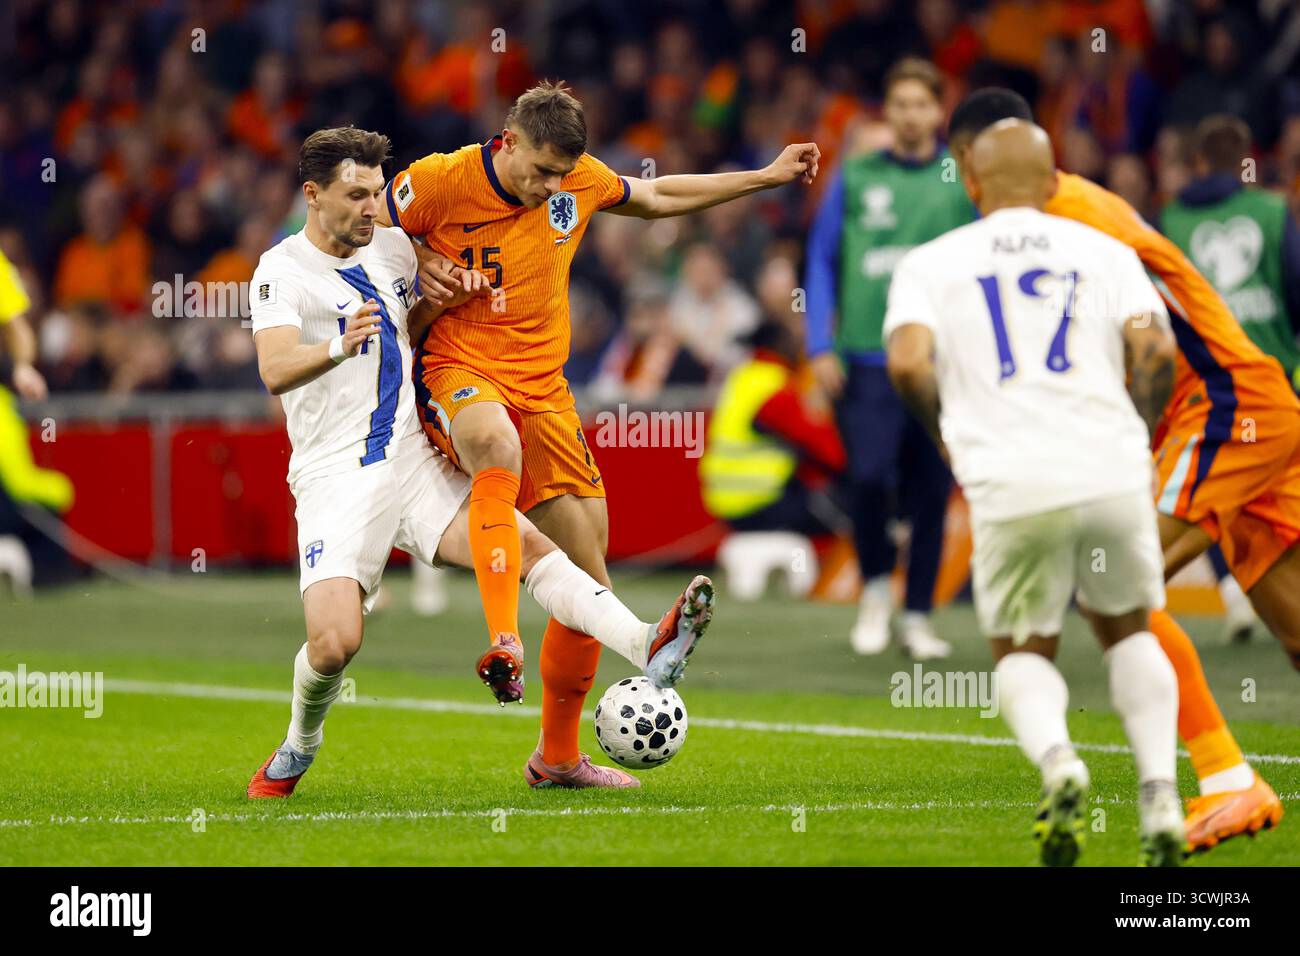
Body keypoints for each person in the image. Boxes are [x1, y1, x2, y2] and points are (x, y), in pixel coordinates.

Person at [245, 128, 714, 797]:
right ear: (313, 195)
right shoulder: (281, 271)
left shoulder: (392, 247)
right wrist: (338, 349)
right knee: (333, 646)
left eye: (378, 193)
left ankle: (647, 643)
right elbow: (273, 369)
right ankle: (298, 745)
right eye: (355, 195)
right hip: (333, 476)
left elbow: (412, 322)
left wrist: (447, 292)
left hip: (408, 457)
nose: (371, 208)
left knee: (533, 548)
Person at [375, 82, 819, 788]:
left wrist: (764, 175)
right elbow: (362, 221)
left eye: (562, 174)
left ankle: (557, 759)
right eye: (541, 170)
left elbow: (656, 198)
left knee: (587, 581)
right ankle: (502, 636)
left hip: (546, 389)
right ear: (508, 140)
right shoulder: (439, 180)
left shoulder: (577, 179)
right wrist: (410, 263)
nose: (552, 185)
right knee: (495, 444)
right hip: (458, 365)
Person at [947, 88, 1286, 853]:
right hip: (1253, 399)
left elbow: (1146, 345)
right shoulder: (1069, 207)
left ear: (978, 162)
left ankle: (1229, 780)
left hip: (1224, 405)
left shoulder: (1062, 224)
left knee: (1121, 587)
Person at [885, 119, 1184, 867]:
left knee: (1021, 650)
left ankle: (1059, 763)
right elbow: (1156, 350)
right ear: (1055, 183)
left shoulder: (931, 263)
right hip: (1110, 466)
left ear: (973, 182)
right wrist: (1136, 434)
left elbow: (908, 365)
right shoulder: (1108, 251)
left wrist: (947, 432)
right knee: (1130, 630)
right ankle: (1160, 794)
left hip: (1013, 477)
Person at [805, 58, 973, 659]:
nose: (909, 115)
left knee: (932, 487)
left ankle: (918, 616)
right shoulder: (855, 174)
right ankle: (876, 588)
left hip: (940, 359)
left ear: (939, 110)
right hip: (867, 356)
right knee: (870, 480)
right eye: (899, 104)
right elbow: (822, 258)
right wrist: (820, 343)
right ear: (888, 111)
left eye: (920, 104)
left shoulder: (962, 176)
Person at [1162, 113, 1300, 642]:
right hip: (1279, 386)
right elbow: (1295, 286)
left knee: (1213, 497)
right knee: (1264, 506)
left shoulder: (1169, 221)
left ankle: (1230, 594)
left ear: (1196, 163)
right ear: (1248, 160)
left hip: (1213, 391)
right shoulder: (1271, 210)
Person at [700, 320, 846, 536]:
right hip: (759, 502)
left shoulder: (743, 377)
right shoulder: (773, 387)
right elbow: (825, 448)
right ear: (780, 345)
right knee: (846, 513)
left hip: (725, 502)